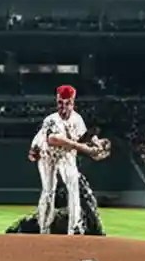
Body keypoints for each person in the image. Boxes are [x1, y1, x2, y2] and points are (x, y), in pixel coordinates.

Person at [33, 85, 97, 234]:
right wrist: (85, 148)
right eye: (60, 103)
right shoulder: (51, 120)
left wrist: (96, 142)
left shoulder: (77, 119)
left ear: (73, 103)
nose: (63, 107)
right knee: (49, 191)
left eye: (67, 103)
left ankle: (74, 227)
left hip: (66, 155)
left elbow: (84, 136)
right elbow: (53, 139)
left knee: (73, 185)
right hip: (47, 154)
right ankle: (44, 227)